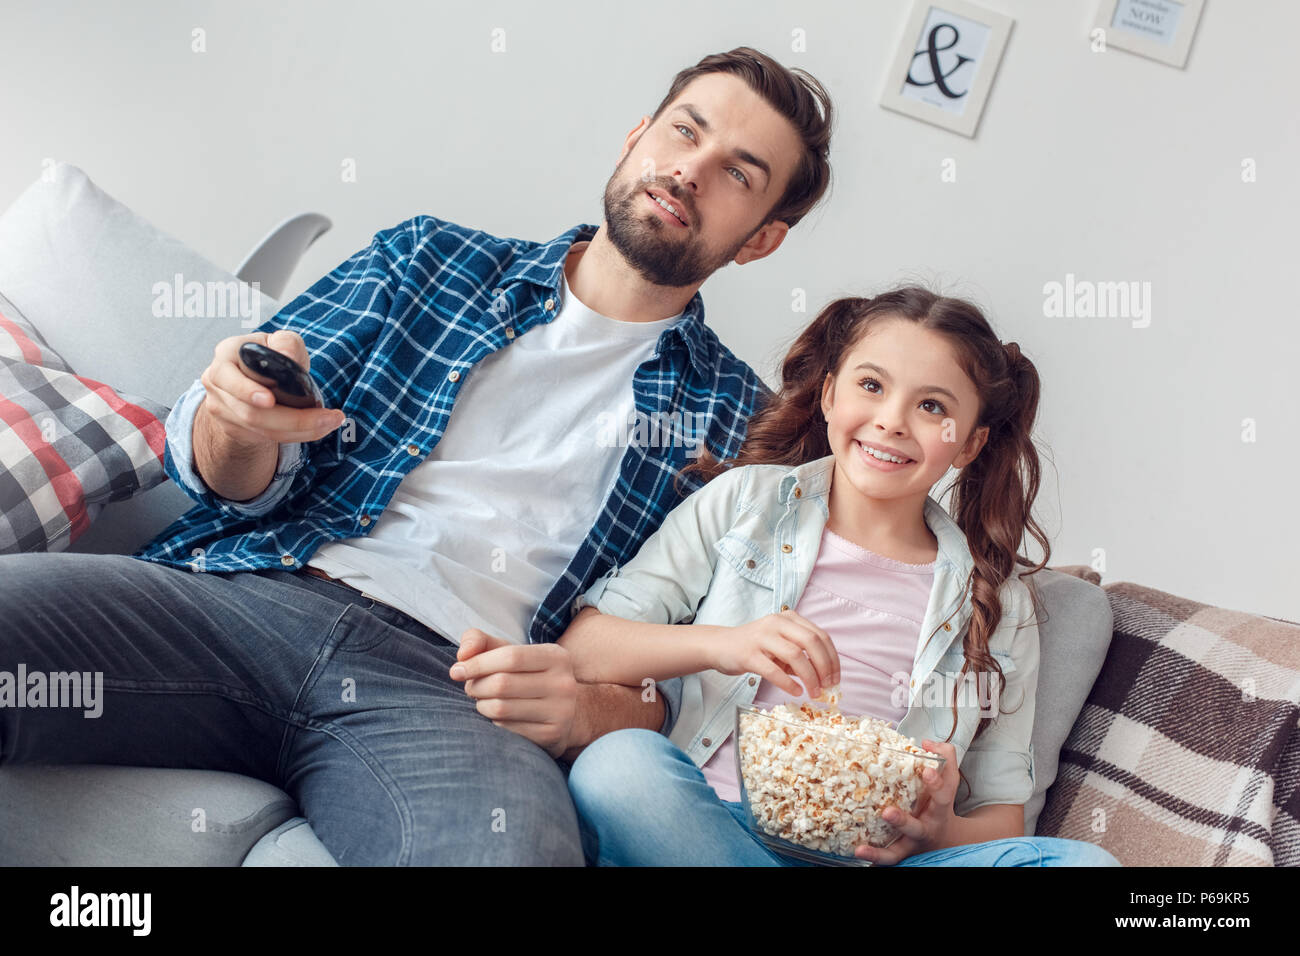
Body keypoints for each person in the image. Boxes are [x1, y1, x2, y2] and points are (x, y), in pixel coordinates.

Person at [0, 47, 834, 865]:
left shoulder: (744, 429)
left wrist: (595, 709)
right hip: (245, 602)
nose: (691, 169)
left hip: (455, 700)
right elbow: (234, 477)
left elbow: (707, 683)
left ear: (761, 240)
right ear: (636, 137)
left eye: (738, 173)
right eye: (685, 132)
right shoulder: (429, 260)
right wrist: (238, 424)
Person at [557, 287, 1122, 866]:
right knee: (618, 765)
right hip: (718, 825)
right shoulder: (746, 504)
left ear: (970, 444)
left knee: (1084, 864)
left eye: (933, 407)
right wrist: (727, 645)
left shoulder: (997, 598)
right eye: (871, 386)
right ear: (829, 394)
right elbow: (585, 649)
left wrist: (937, 832)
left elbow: (1005, 814)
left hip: (880, 856)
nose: (891, 422)